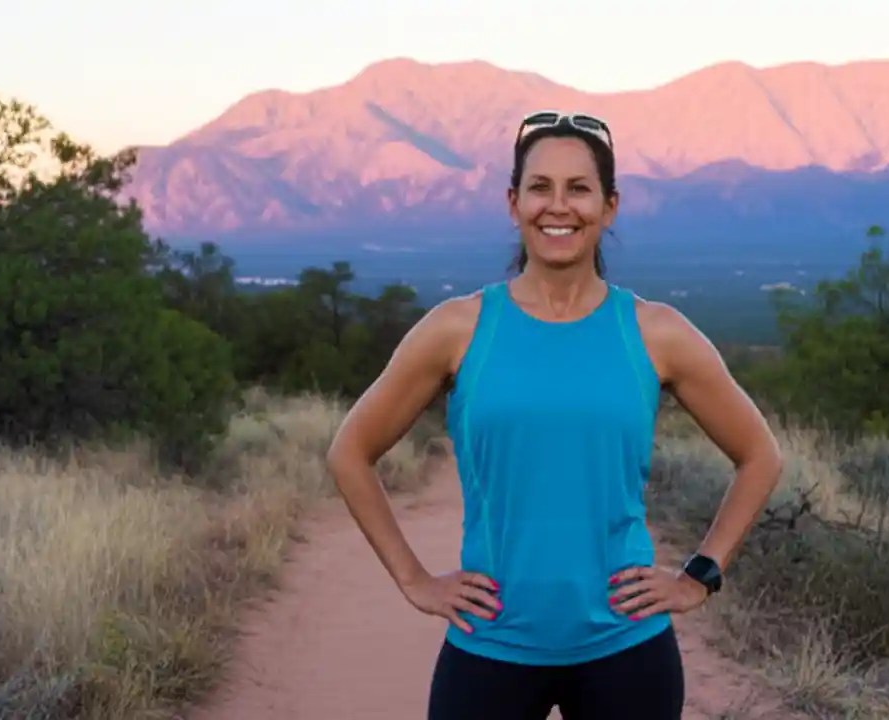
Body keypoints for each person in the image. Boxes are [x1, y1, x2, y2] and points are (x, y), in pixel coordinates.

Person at [325, 110, 784, 720]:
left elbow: (760, 456)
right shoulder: (458, 330)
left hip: (627, 650)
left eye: (579, 188)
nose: (558, 206)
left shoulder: (656, 333)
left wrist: (700, 573)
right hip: (489, 645)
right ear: (513, 203)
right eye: (540, 187)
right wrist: (414, 579)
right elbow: (349, 451)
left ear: (610, 206)